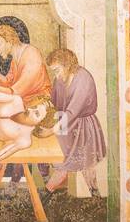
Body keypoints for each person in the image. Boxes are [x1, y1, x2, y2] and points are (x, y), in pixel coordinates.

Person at [44, 48, 106, 196]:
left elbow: (73, 110)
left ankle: (95, 196)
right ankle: (46, 194)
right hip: (65, 125)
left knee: (87, 164)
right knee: (62, 162)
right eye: (53, 71)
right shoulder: (59, 79)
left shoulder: (83, 78)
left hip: (83, 125)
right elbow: (54, 102)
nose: (56, 74)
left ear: (67, 65)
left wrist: (53, 129)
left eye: (57, 70)